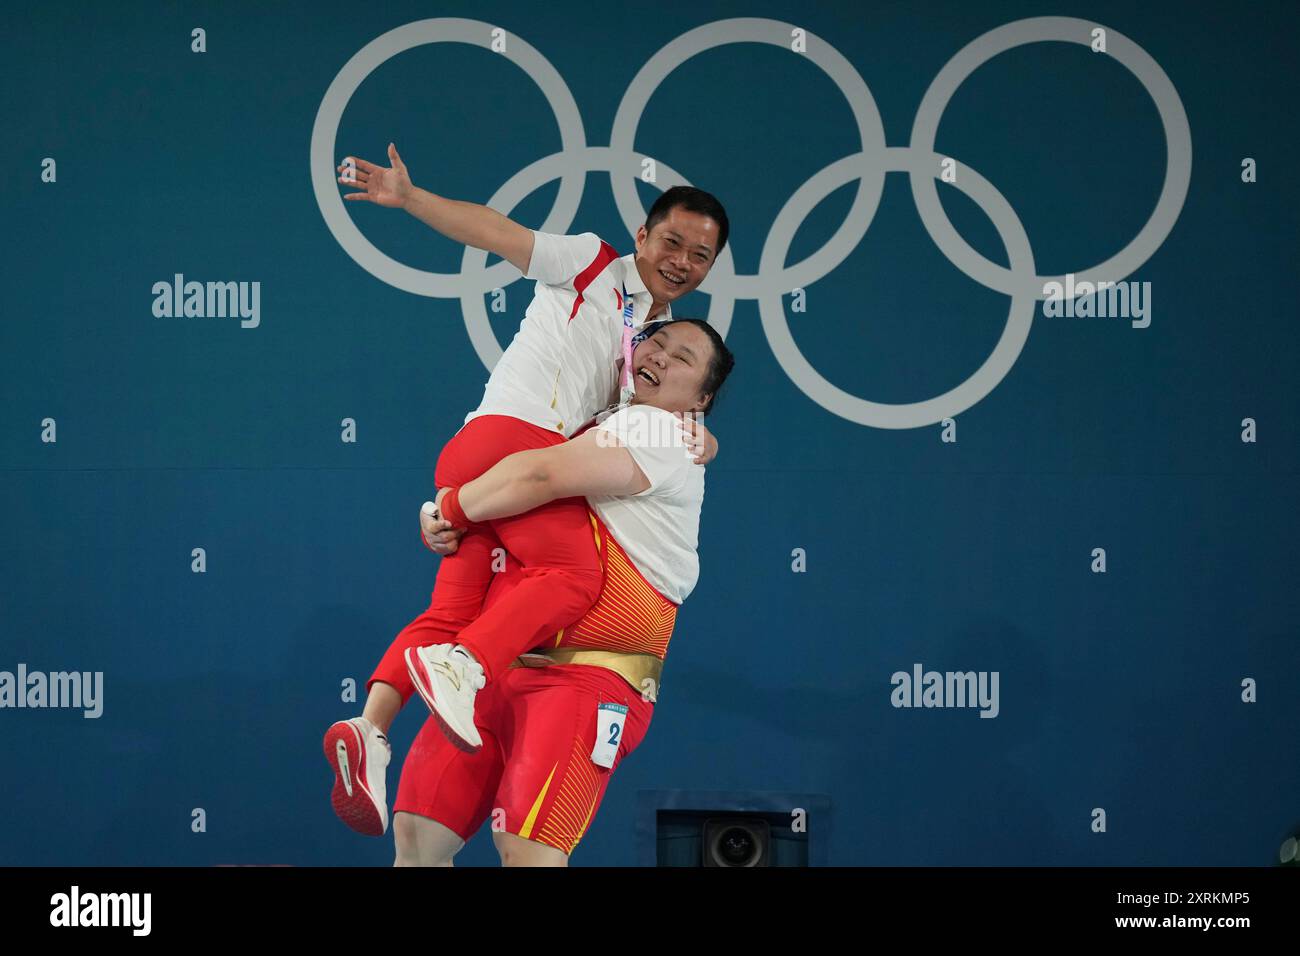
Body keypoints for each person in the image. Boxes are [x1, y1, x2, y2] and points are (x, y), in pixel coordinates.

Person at [323, 143, 730, 834]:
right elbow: (494, 231)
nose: (682, 262)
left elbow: (653, 425)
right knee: (573, 575)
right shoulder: (590, 263)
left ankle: (370, 728)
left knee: (453, 610)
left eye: (700, 256)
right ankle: (463, 671)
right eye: (671, 241)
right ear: (642, 235)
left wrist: (704, 435)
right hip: (514, 443)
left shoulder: (652, 346)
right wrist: (410, 198)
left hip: (478, 458)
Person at [393, 317, 735, 865]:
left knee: (528, 852)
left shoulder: (658, 429)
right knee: (417, 840)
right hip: (492, 670)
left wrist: (449, 505)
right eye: (656, 342)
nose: (661, 356)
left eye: (683, 358)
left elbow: (535, 479)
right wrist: (442, 515)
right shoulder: (588, 427)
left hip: (585, 679)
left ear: (702, 397)